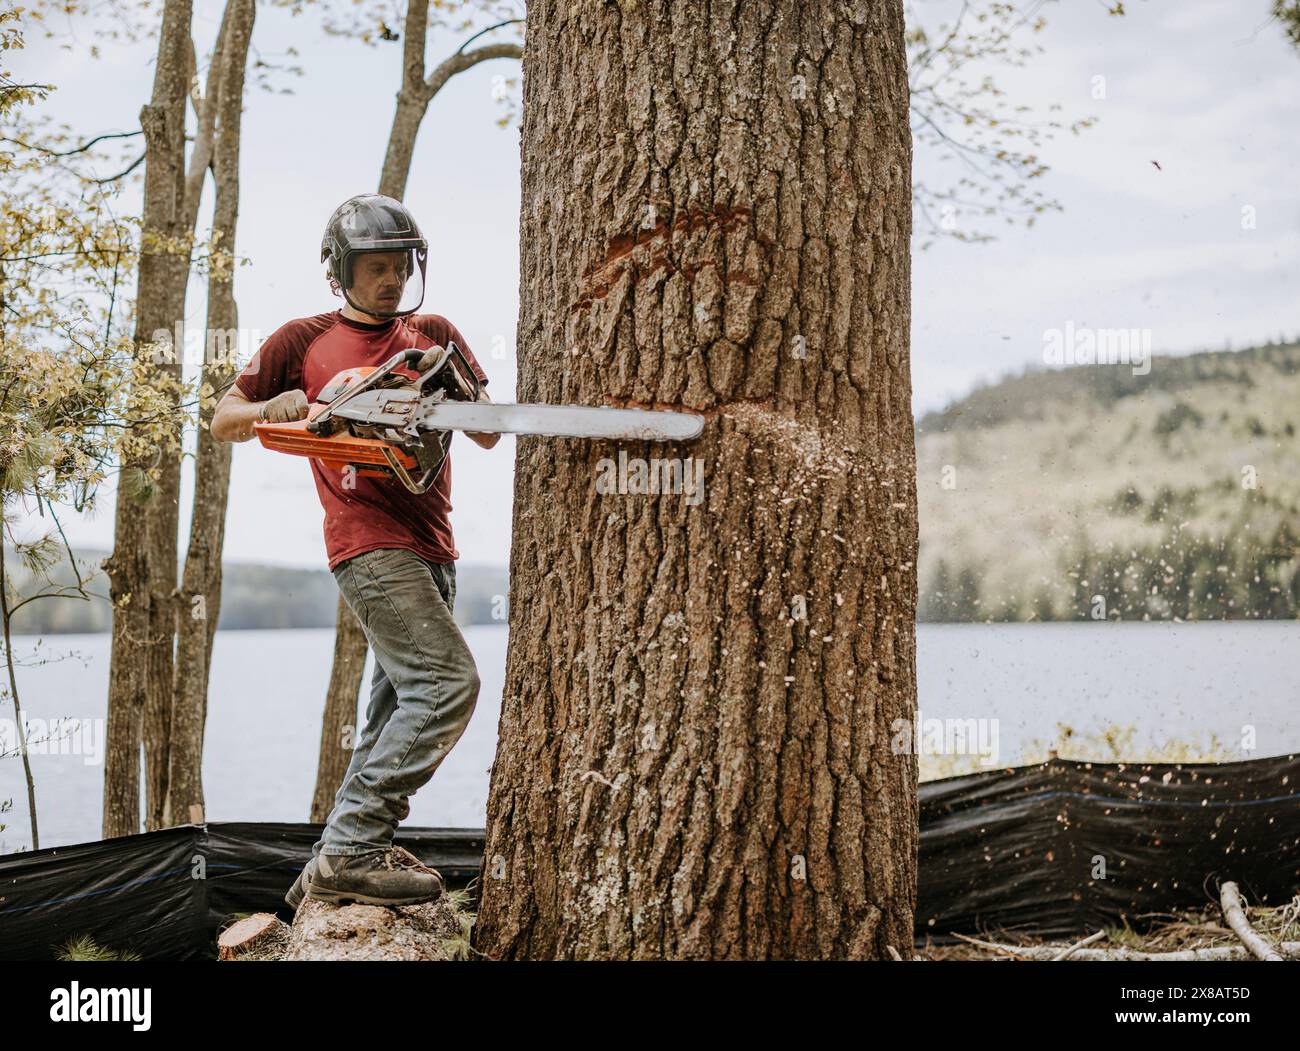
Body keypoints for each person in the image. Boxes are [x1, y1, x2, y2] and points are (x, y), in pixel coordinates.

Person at [211, 192, 499, 908]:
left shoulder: (433, 332)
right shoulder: (302, 339)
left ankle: (328, 874)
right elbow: (223, 419)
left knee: (390, 712)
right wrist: (267, 408)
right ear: (341, 270)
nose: (390, 279)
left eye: (399, 265)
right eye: (374, 267)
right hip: (368, 545)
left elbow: (490, 430)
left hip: (436, 548)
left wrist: (452, 384)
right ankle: (350, 848)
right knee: (447, 685)